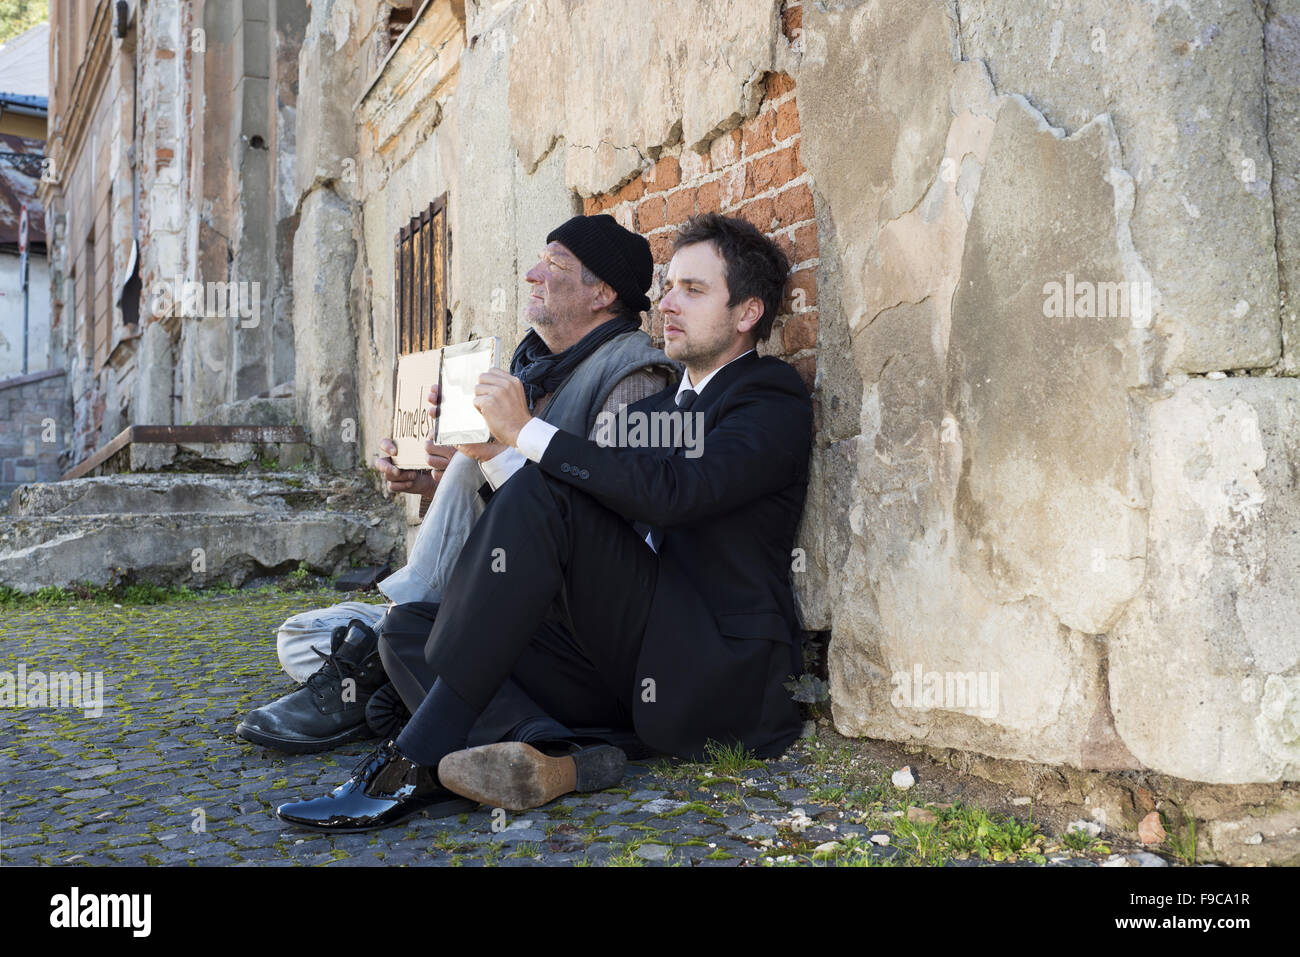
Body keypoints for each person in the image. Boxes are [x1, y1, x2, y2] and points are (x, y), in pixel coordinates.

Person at [275, 212, 813, 832]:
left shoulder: (768, 395)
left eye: (694, 290)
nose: (668, 303)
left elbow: (674, 496)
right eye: (669, 287)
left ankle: (414, 762)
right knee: (411, 626)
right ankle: (554, 752)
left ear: (747, 314)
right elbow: (605, 503)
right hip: (629, 657)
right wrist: (467, 464)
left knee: (546, 491)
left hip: (713, 670)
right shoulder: (665, 406)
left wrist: (526, 433)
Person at [236, 214, 675, 755]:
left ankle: (387, 669)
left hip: (565, 627)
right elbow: (505, 496)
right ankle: (393, 666)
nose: (533, 273)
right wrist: (433, 479)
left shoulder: (635, 375)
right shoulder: (534, 366)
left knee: (392, 635)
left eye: (555, 264)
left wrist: (490, 455)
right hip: (488, 597)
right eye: (540, 259)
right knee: (298, 638)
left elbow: (609, 527)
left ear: (603, 293)